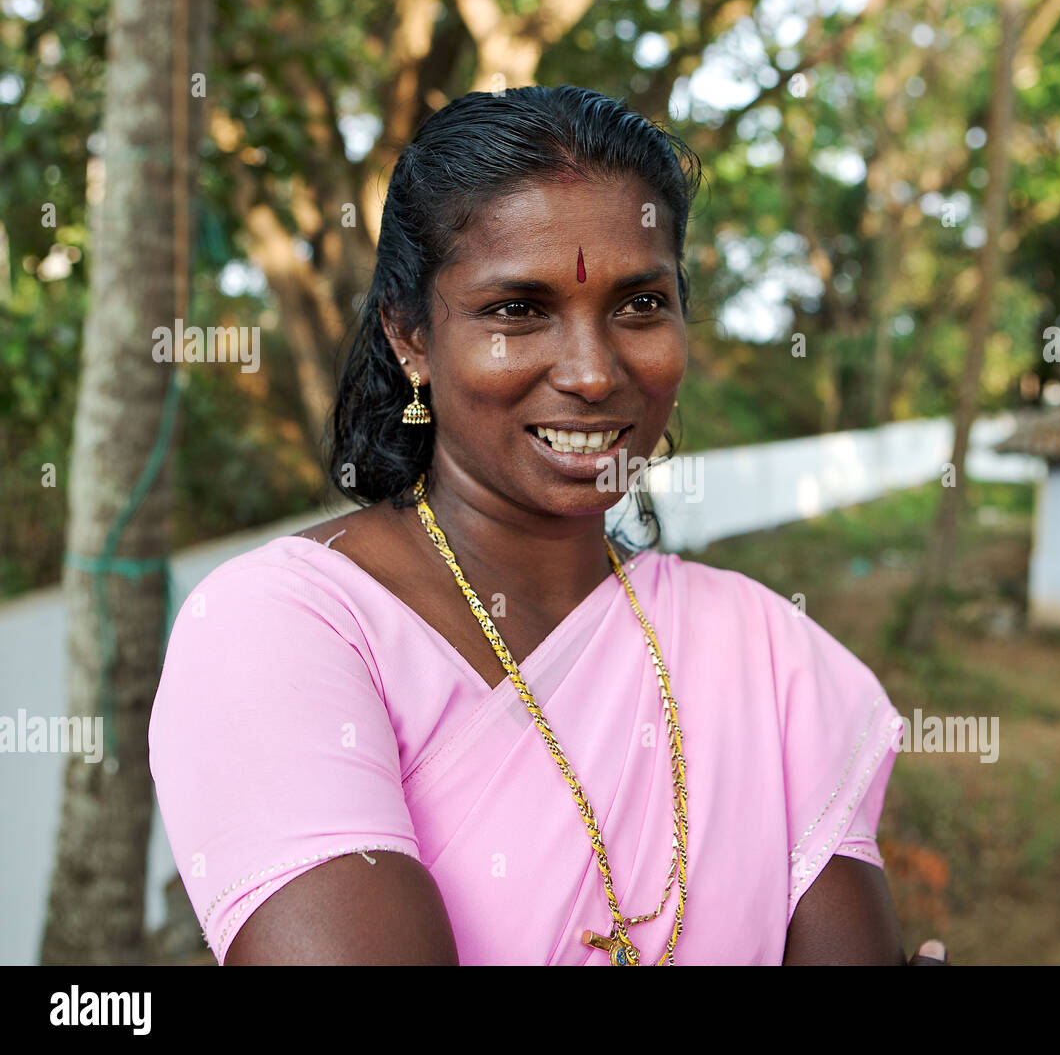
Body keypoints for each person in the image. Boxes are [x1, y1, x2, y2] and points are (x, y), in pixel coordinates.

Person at [149, 85, 947, 966]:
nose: (594, 372)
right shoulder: (286, 629)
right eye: (518, 310)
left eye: (640, 305)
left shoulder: (771, 656)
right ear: (409, 334)